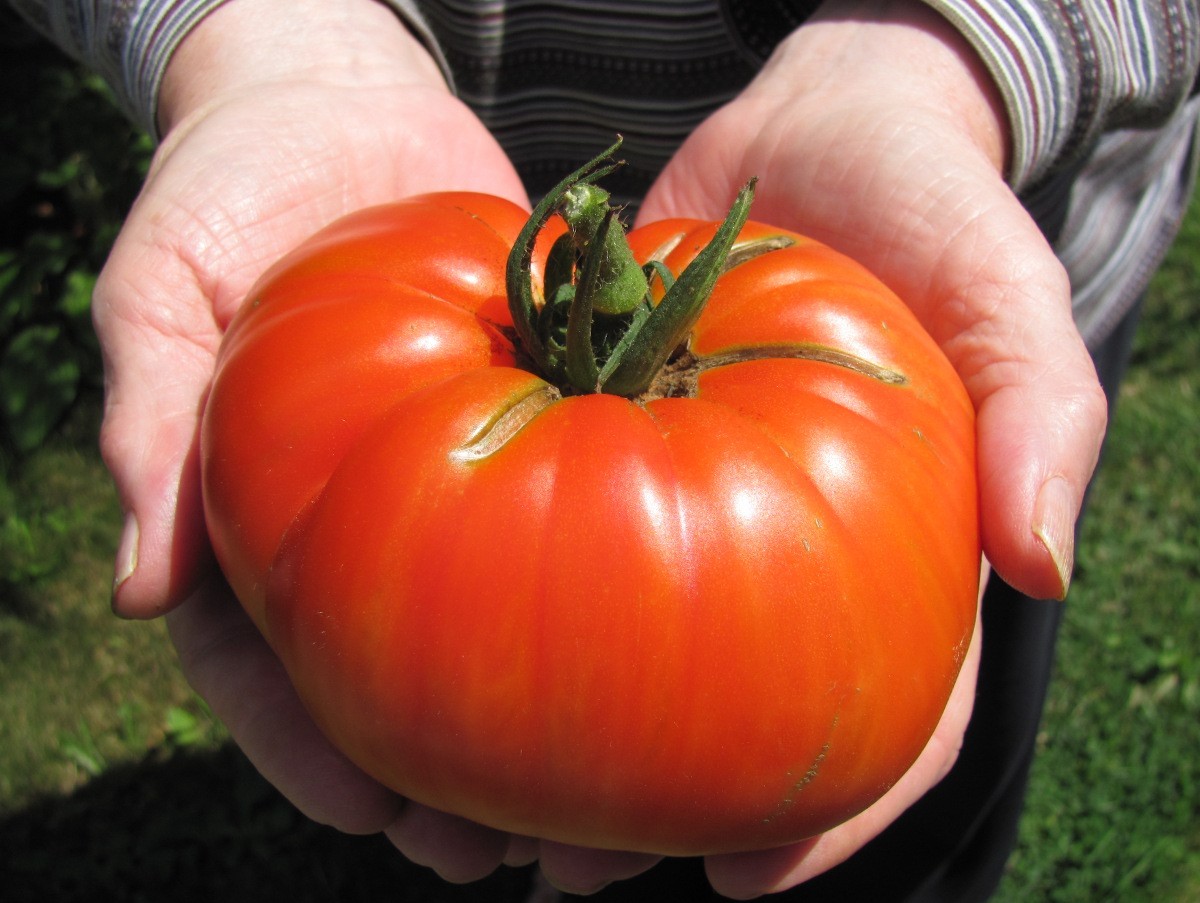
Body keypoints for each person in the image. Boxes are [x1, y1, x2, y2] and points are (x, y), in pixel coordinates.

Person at [9, 0, 1198, 899]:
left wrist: (954, 48)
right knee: (412, 839)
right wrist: (256, 34)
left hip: (952, 225)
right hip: (838, 348)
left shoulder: (896, 388)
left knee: (906, 832)